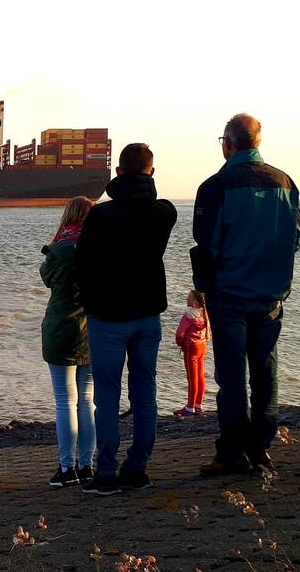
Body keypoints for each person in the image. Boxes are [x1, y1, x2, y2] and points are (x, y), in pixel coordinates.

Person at [192, 114, 300, 476]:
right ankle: (262, 447)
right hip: (271, 294)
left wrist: (205, 284)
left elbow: (205, 242)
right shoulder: (285, 182)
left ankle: (233, 451)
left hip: (229, 293)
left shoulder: (216, 186)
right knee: (266, 371)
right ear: (257, 142)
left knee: (232, 376)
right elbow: (296, 238)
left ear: (228, 143)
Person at [75, 144, 176, 496]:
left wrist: (90, 303)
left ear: (117, 172)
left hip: (108, 317)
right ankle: (137, 469)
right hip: (148, 316)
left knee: (107, 396)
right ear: (152, 171)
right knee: (145, 393)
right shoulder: (165, 213)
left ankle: (105, 473)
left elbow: (83, 264)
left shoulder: (101, 216)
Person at [40, 196, 96, 487]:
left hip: (62, 329)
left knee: (65, 401)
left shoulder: (59, 249)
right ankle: (87, 466)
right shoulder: (101, 247)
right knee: (87, 401)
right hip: (93, 331)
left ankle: (67, 468)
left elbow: (46, 277)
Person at [173, 291, 211, 417]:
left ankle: (190, 407)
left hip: (191, 347)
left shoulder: (189, 314)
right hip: (202, 345)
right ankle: (198, 404)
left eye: (189, 297)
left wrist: (180, 343)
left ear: (195, 303)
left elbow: (179, 334)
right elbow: (208, 330)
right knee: (200, 375)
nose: (186, 299)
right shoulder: (204, 313)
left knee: (191, 377)